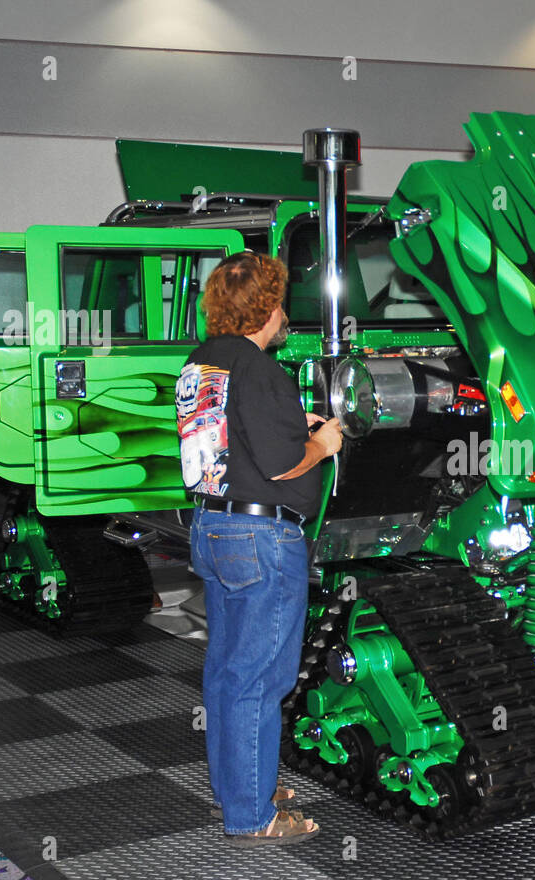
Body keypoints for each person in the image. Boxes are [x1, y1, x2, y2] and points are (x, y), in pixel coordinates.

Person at [175, 251, 343, 846]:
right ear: (271, 308)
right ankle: (250, 815)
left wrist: (297, 427)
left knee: (226, 673)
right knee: (259, 680)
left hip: (212, 528)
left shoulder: (201, 364)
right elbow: (279, 464)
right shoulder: (260, 368)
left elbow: (236, 442)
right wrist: (322, 443)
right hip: (260, 538)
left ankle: (242, 786)